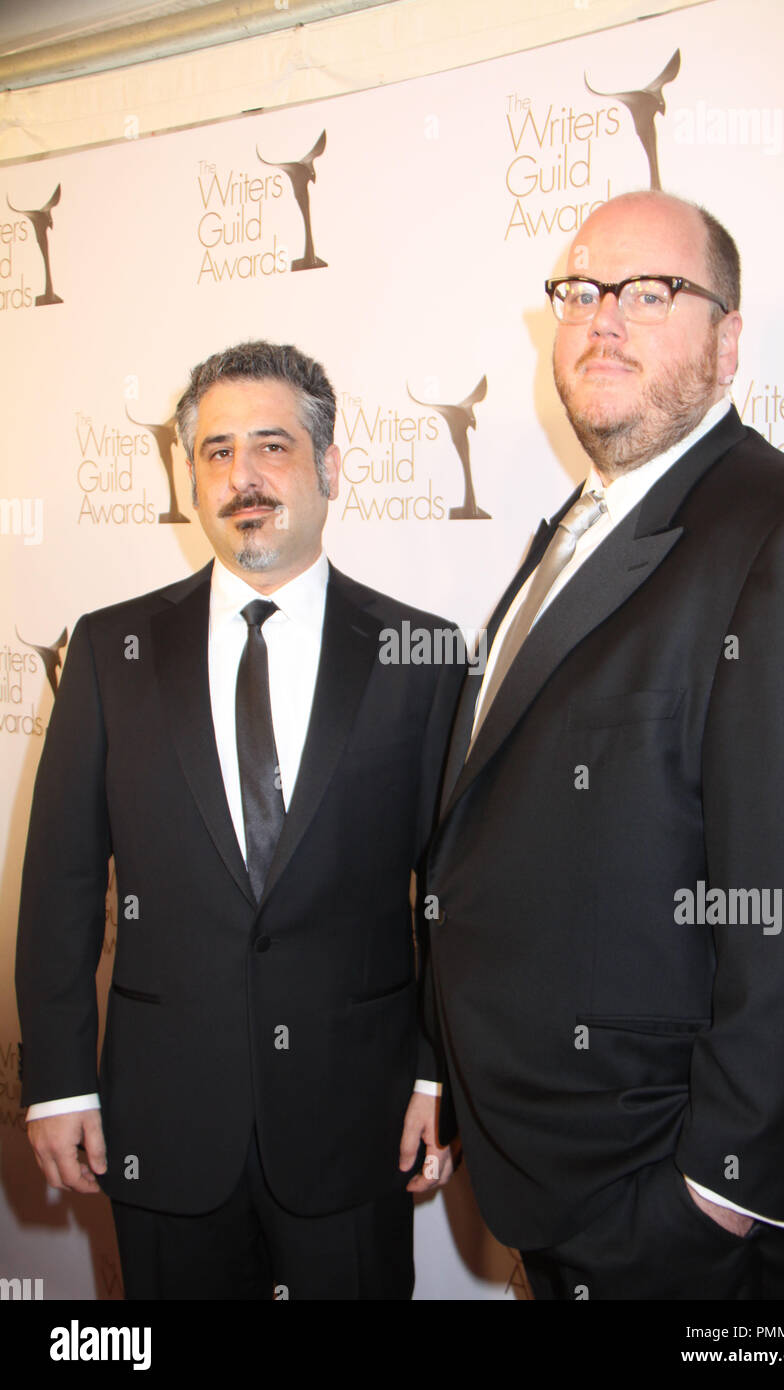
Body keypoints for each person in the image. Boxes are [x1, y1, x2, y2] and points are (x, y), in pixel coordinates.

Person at [424, 191, 784, 1300]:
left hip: (676, 1214)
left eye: (649, 290)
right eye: (579, 291)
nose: (602, 318)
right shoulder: (576, 525)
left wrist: (711, 1195)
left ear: (724, 346)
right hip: (557, 1176)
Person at [16, 339, 459, 1300]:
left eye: (272, 446)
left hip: (357, 1122)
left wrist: (436, 1076)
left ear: (330, 467)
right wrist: (55, 1082)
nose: (243, 477)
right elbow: (56, 883)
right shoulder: (109, 650)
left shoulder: (420, 654)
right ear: (190, 476)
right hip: (165, 1129)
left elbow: (453, 897)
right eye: (215, 453)